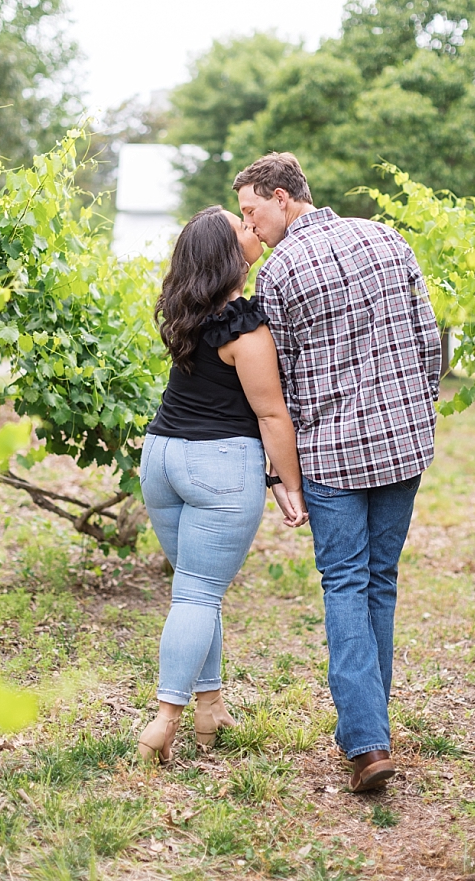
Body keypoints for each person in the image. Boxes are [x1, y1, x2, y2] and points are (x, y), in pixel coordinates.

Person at [234, 152, 441, 794]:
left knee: (345, 583)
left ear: (281, 197)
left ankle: (365, 741)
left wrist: (281, 475)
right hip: (403, 443)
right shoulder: (387, 238)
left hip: (331, 454)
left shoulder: (279, 275)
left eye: (251, 211)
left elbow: (281, 385)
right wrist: (414, 405)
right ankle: (371, 729)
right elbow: (429, 338)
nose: (251, 227)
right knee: (380, 579)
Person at [136, 207, 308, 764]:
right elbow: (272, 415)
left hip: (161, 458)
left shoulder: (185, 314)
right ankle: (165, 719)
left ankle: (210, 705)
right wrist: (288, 482)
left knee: (194, 589)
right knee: (197, 593)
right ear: (227, 255)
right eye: (241, 227)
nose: (251, 228)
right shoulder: (246, 328)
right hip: (217, 465)